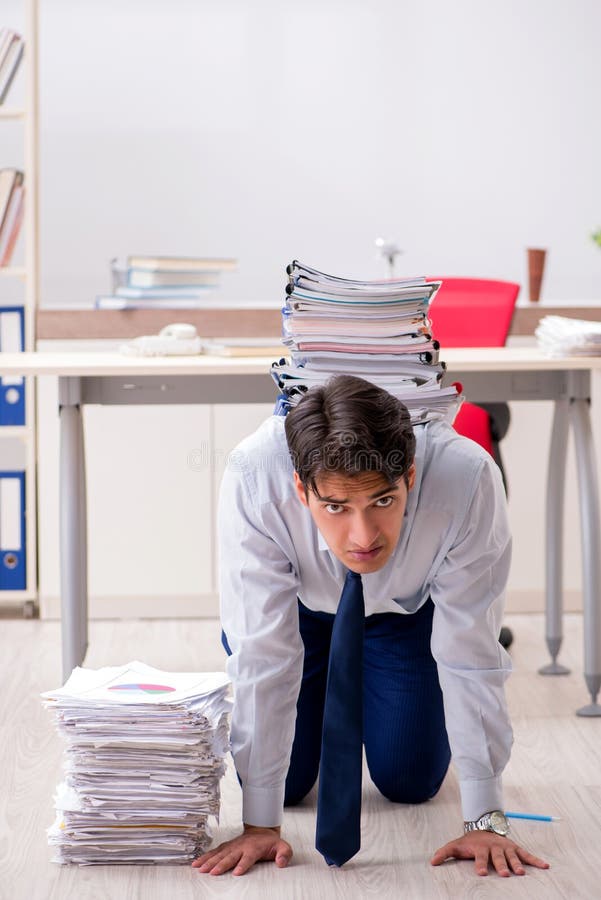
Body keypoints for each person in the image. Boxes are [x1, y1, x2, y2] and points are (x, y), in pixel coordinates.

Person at [192, 375, 549, 879]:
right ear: (302, 489)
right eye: (336, 507)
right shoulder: (255, 475)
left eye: (382, 501)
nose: (362, 537)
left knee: (411, 779)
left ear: (409, 476)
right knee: (285, 788)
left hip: (404, 617)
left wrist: (484, 817)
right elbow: (261, 654)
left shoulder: (467, 479)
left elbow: (471, 651)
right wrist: (259, 825)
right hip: (297, 612)